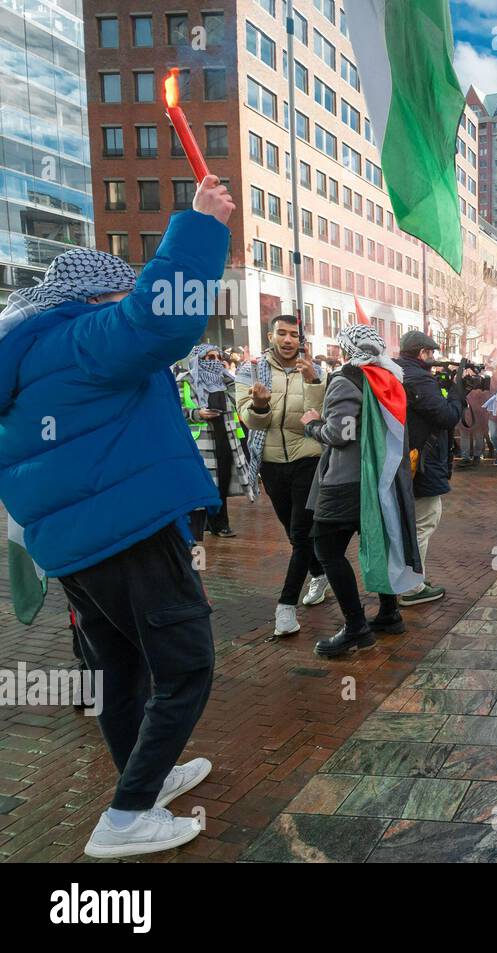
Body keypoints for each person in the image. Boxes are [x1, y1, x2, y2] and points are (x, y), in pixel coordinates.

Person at [0, 174, 235, 857]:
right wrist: (199, 228)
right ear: (95, 296)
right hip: (128, 529)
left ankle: (146, 776)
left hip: (76, 544)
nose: (124, 301)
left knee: (119, 669)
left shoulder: (27, 351)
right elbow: (155, 321)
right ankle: (127, 814)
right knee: (187, 664)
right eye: (118, 293)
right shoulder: (77, 336)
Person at [302, 324, 423, 658]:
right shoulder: (389, 379)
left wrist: (312, 424)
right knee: (377, 541)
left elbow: (341, 433)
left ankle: (356, 627)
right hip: (380, 479)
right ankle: (389, 613)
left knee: (326, 548)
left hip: (345, 481)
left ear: (346, 350)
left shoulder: (346, 380)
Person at [236, 315, 331, 640]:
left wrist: (314, 383)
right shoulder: (250, 370)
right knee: (294, 533)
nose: (288, 340)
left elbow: (316, 417)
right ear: (271, 335)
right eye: (282, 333)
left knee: (302, 534)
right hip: (271, 463)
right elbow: (251, 421)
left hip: (307, 458)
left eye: (294, 334)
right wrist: (260, 406)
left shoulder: (314, 370)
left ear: (301, 339)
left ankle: (286, 608)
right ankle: (319, 574)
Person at [393, 330, 465, 606]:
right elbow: (446, 416)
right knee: (424, 521)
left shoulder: (397, 372)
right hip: (421, 461)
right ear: (422, 353)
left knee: (408, 523)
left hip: (404, 458)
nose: (433, 358)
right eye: (431, 353)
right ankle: (412, 587)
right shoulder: (419, 378)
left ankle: (411, 578)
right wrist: (457, 395)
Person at [175, 343, 252, 537]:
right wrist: (197, 413)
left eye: (218, 358)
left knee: (222, 481)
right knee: (203, 484)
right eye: (210, 358)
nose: (216, 362)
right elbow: (176, 411)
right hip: (199, 442)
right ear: (198, 360)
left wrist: (229, 378)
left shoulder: (226, 381)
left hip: (225, 437)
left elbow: (241, 400)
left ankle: (219, 522)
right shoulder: (184, 381)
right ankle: (201, 525)